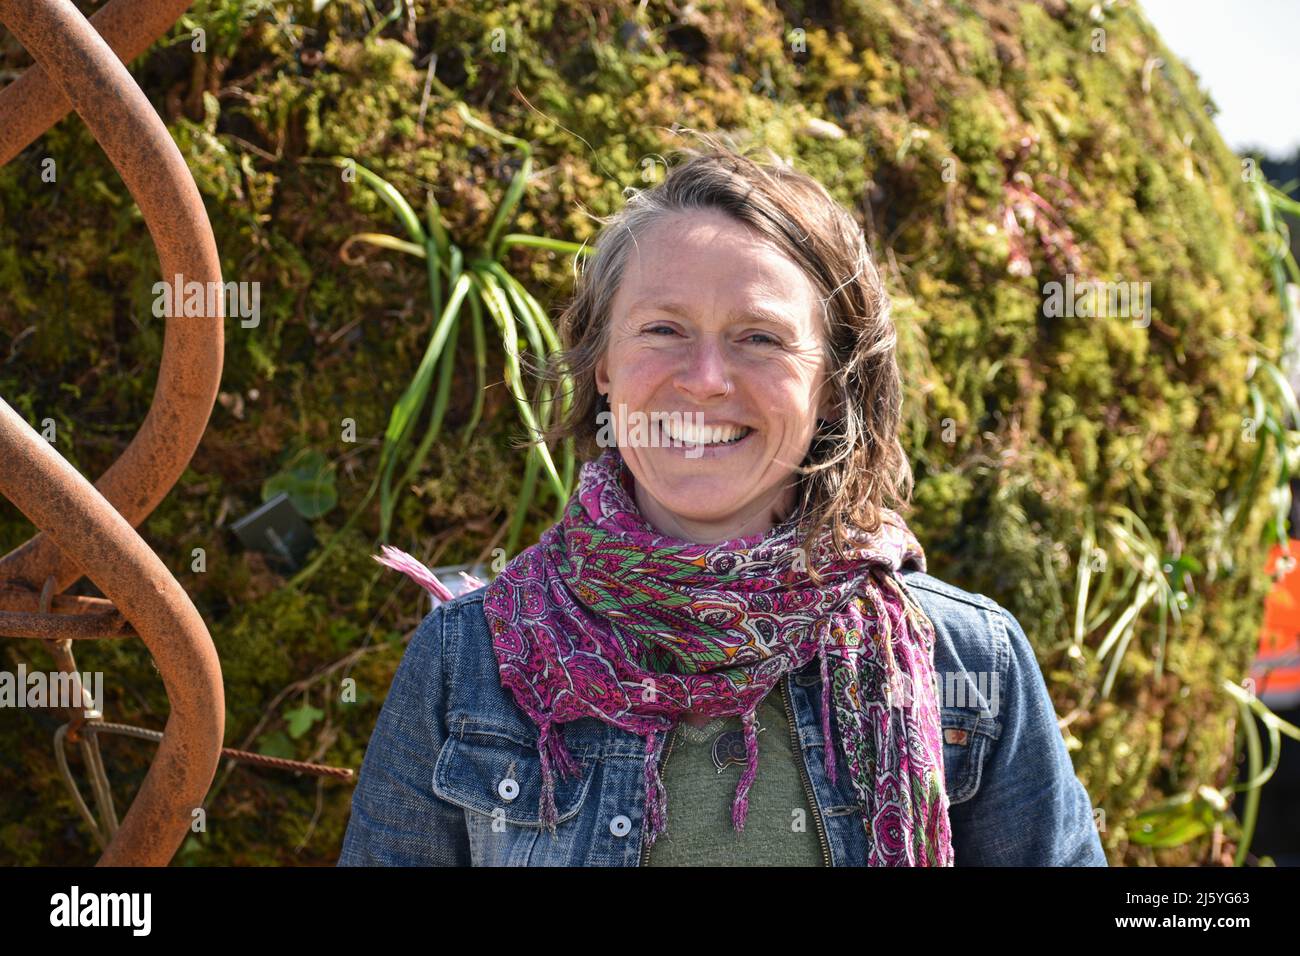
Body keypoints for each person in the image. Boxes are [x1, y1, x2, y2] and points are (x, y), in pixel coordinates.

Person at [338, 134, 1107, 867]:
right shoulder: (469, 662)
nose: (705, 378)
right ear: (603, 363)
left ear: (834, 385)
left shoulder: (968, 664)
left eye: (760, 338)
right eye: (663, 328)